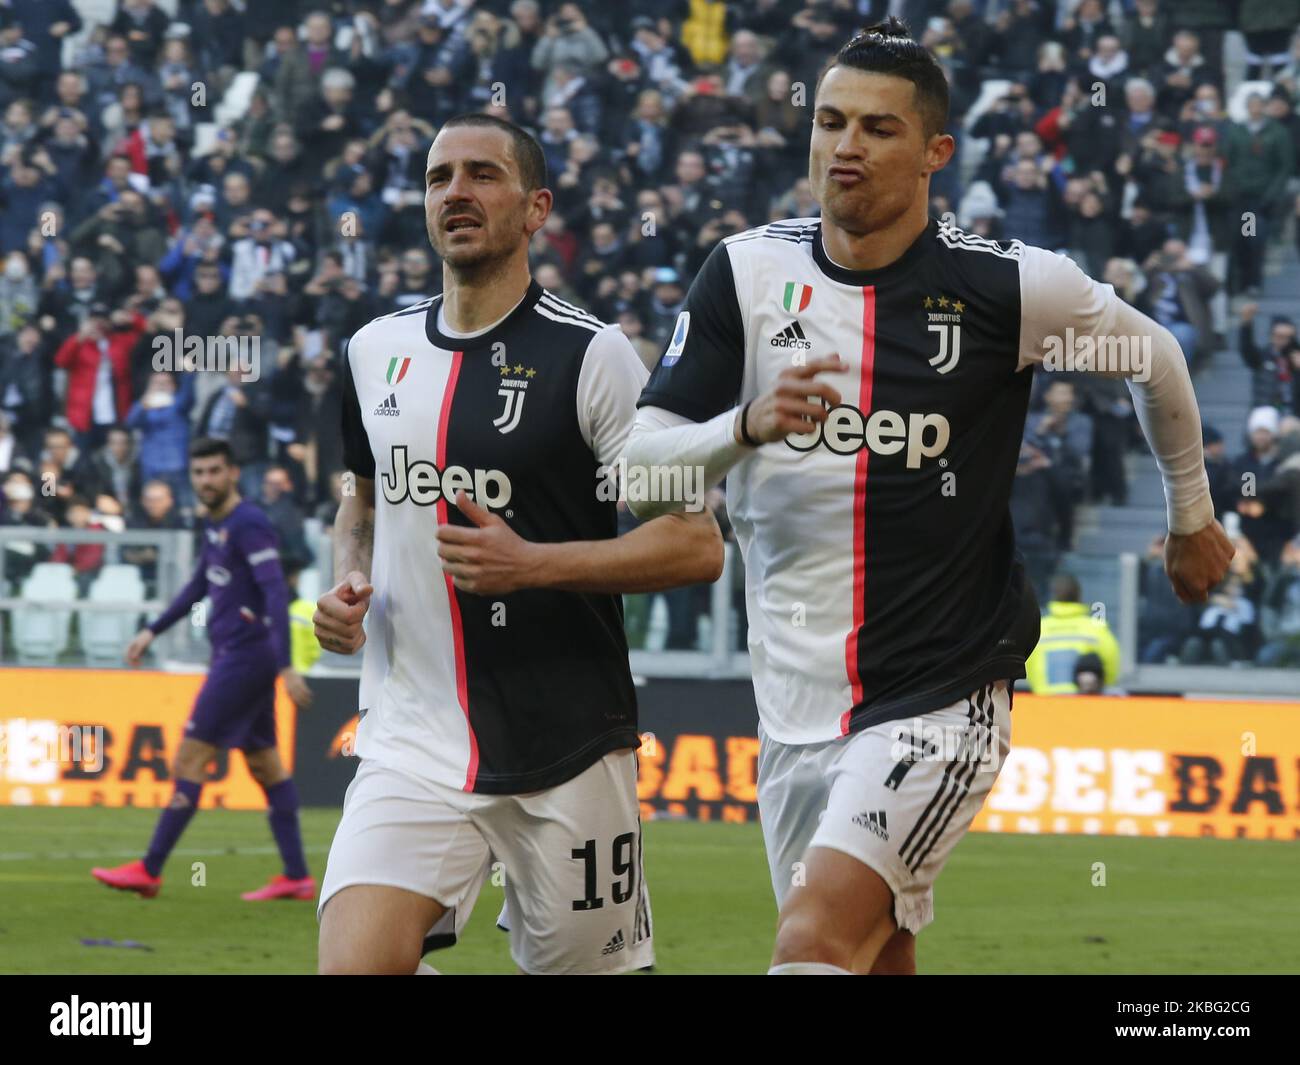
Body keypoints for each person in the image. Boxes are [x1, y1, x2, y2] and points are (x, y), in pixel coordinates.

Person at [623, 19, 1234, 975]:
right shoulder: (744, 274)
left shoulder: (1006, 290)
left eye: (877, 128)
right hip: (791, 702)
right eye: (829, 122)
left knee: (812, 941)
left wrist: (1191, 518)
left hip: (940, 690)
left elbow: (1154, 357)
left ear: (936, 152)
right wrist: (743, 426)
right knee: (870, 953)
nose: (844, 148)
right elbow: (638, 474)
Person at [313, 113, 723, 975]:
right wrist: (348, 580)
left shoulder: (595, 357)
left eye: (481, 174)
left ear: (537, 208)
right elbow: (359, 498)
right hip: (412, 738)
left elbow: (694, 544)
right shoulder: (371, 352)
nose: (455, 192)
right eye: (438, 177)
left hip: (567, 744)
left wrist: (533, 564)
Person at [91, 438, 316, 901]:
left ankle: (150, 869)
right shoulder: (215, 525)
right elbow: (198, 584)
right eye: (198, 473)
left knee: (190, 758)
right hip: (236, 655)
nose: (206, 480)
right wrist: (152, 630)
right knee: (265, 764)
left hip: (245, 659)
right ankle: (296, 875)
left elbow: (275, 593)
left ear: (232, 473)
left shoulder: (250, 524)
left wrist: (286, 665)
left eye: (215, 471)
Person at [1025, 574, 1122, 693]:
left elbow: (1027, 668)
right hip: (1084, 705)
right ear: (1079, 596)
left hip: (1045, 703)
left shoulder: (1039, 628)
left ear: (1053, 595)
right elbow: (1111, 669)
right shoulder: (1096, 629)